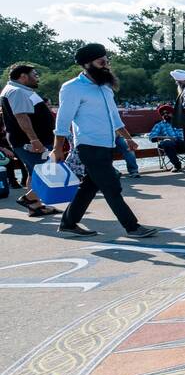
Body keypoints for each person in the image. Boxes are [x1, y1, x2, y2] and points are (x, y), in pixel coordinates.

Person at [51, 44, 158, 238]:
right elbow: (63, 120)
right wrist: (57, 148)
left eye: (107, 61)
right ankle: (132, 227)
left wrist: (128, 138)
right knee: (111, 185)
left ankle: (68, 223)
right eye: (102, 62)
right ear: (87, 64)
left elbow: (114, 117)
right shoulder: (72, 88)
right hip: (89, 145)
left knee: (90, 186)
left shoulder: (105, 87)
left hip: (107, 145)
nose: (106, 65)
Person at [1, 63, 58, 216]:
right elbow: (21, 116)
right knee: (48, 172)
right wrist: (34, 140)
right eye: (34, 74)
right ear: (23, 77)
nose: (37, 77)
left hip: (30, 141)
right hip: (30, 142)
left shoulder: (21, 90)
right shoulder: (17, 91)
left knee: (35, 173)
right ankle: (28, 198)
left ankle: (35, 207)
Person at [147, 104, 185, 173]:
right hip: (168, 145)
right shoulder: (159, 125)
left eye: (167, 113)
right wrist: (165, 138)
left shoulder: (180, 122)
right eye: (163, 114)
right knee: (167, 142)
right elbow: (151, 137)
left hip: (182, 143)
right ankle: (177, 165)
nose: (165, 115)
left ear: (172, 113)